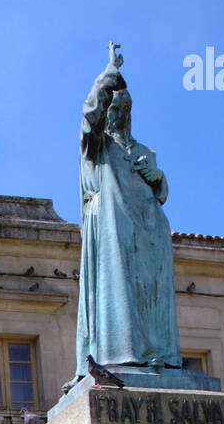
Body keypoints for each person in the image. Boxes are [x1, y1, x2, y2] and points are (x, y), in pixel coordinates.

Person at [74, 41, 181, 380]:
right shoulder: (96, 147)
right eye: (112, 107)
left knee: (153, 297)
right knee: (118, 291)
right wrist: (110, 75)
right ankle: (122, 354)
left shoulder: (145, 151)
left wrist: (158, 177)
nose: (117, 113)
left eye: (123, 107)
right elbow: (89, 115)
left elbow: (161, 192)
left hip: (151, 234)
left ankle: (158, 357)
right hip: (113, 230)